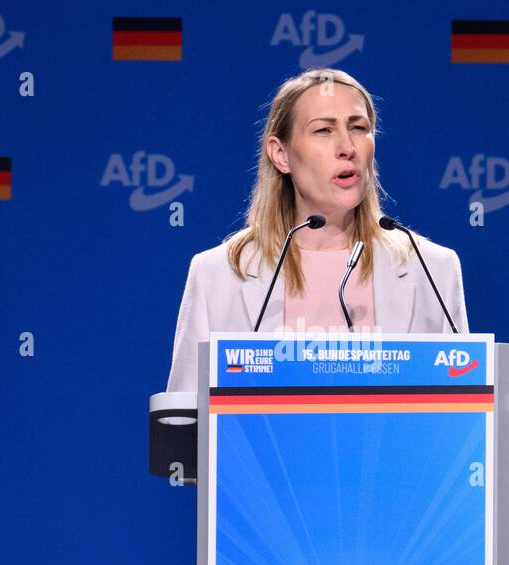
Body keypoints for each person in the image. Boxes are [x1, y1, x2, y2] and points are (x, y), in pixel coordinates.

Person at [165, 68, 469, 393]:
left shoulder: (432, 269)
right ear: (281, 155)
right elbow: (186, 423)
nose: (346, 146)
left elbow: (463, 412)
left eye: (358, 128)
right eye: (324, 130)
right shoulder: (219, 275)